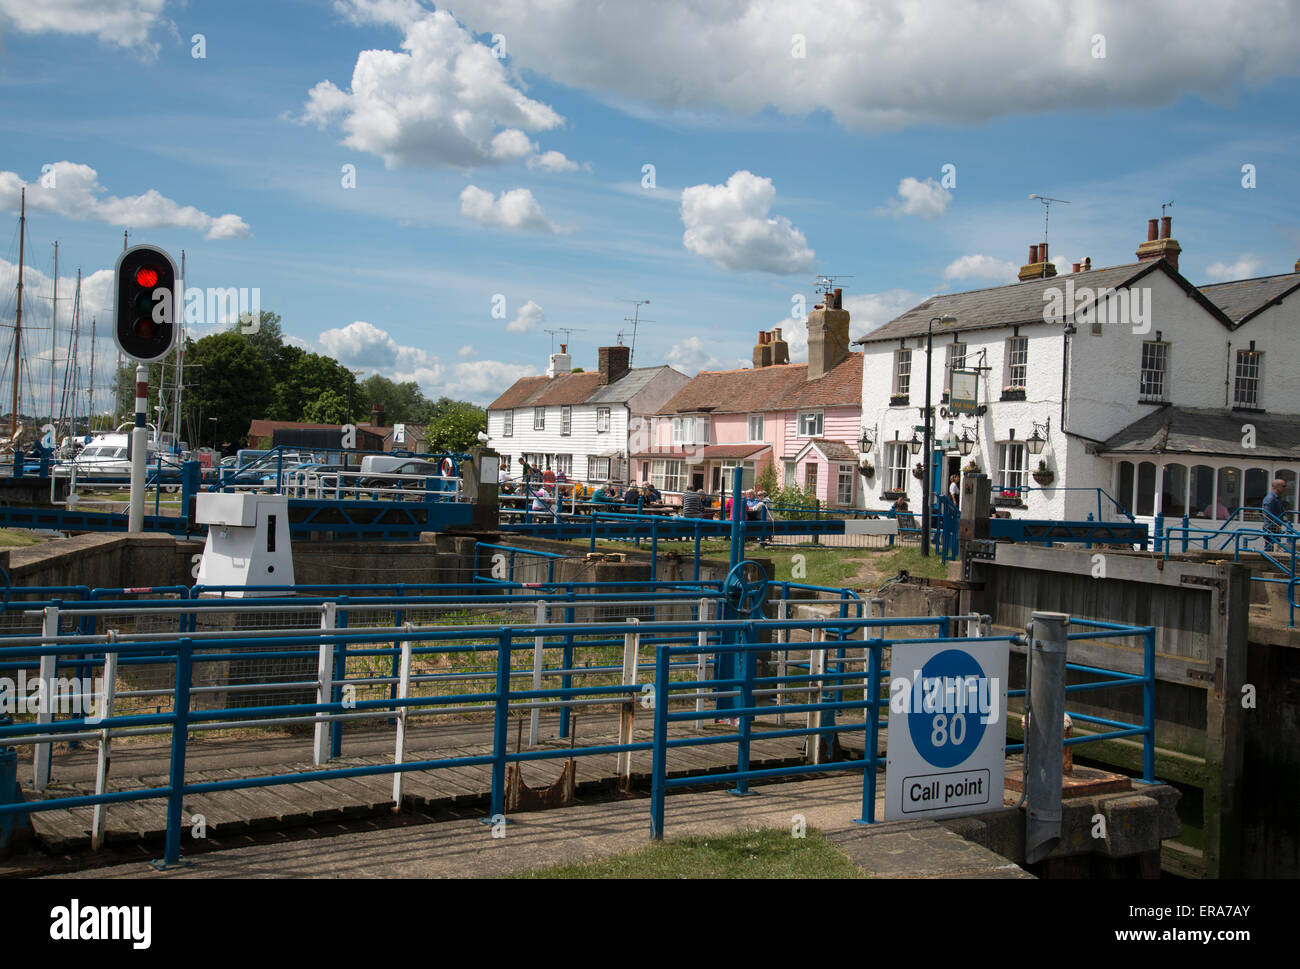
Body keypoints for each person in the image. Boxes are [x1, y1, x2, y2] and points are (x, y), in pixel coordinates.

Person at [1264, 478, 1287, 550]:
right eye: (1284, 486)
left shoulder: (1277, 498)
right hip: (1271, 528)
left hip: (1275, 527)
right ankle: (1267, 559)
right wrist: (1275, 524)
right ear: (1277, 487)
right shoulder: (1270, 498)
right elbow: (1267, 514)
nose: (1285, 488)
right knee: (1270, 547)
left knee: (1274, 547)